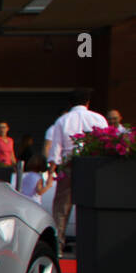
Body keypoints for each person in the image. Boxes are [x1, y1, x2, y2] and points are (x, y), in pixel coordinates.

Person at [44, 87, 108, 238]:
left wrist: (51, 171)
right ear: (87, 102)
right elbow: (105, 144)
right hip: (93, 165)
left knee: (61, 208)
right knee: (92, 204)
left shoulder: (62, 120)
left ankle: (58, 243)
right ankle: (93, 240)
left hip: (68, 165)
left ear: (69, 103)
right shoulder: (99, 118)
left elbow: (55, 149)